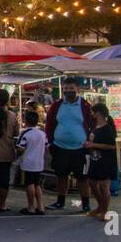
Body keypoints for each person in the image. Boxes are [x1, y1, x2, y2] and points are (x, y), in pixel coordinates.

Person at [45, 83, 94, 211]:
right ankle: (60, 202)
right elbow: (49, 124)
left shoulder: (85, 105)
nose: (68, 91)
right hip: (60, 147)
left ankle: (86, 204)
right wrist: (50, 142)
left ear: (78, 89)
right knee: (61, 175)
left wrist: (91, 141)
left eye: (71, 88)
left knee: (82, 177)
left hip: (81, 148)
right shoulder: (57, 105)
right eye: (66, 88)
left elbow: (92, 123)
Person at [84, 103, 118, 220]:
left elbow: (111, 146)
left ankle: (104, 211)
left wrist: (93, 145)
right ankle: (100, 206)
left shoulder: (107, 128)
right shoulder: (94, 126)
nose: (91, 113)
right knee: (92, 182)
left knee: (104, 186)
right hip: (95, 159)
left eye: (92, 111)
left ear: (98, 113)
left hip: (106, 161)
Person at [16, 108, 48, 215]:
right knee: (37, 184)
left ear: (26, 121)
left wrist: (17, 154)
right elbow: (46, 146)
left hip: (28, 162)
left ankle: (31, 206)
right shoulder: (42, 134)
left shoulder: (25, 134)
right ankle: (40, 206)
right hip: (39, 162)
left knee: (29, 184)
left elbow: (20, 148)